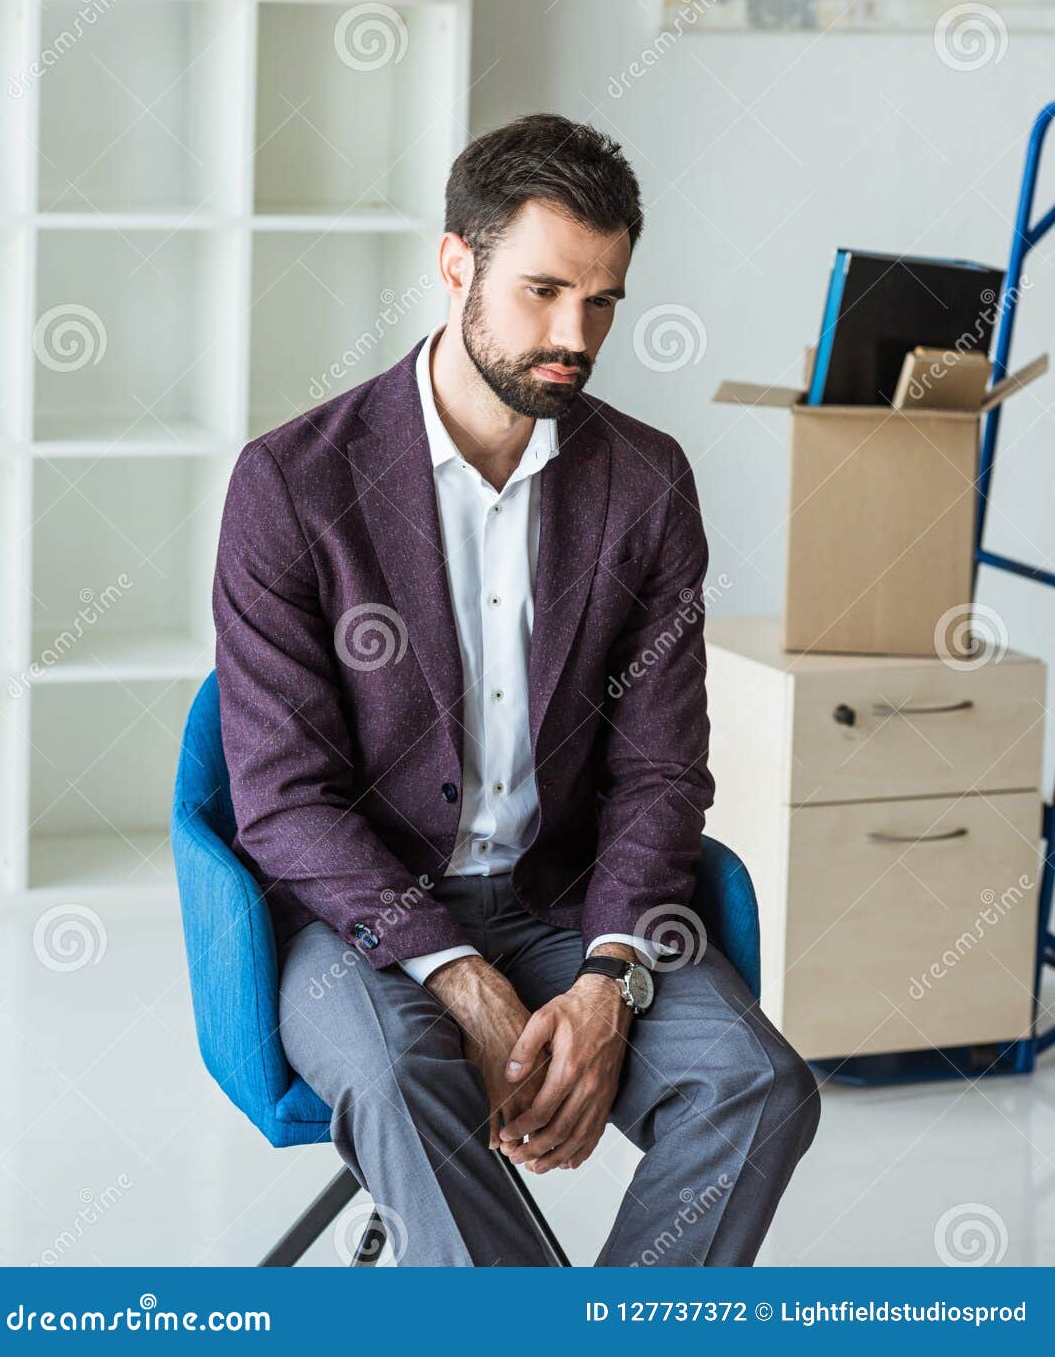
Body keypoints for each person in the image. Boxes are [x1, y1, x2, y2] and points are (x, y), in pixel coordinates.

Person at [212, 112, 819, 1266]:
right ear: (457, 265)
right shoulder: (292, 484)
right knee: (403, 1072)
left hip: (563, 900)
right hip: (363, 915)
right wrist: (457, 972)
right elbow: (285, 800)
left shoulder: (644, 484)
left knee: (760, 1088)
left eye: (601, 303)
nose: (572, 335)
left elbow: (658, 770)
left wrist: (611, 974)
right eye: (542, 291)